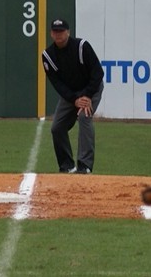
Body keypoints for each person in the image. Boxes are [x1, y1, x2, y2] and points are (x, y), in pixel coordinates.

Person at [41, 18, 105, 174]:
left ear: (68, 32)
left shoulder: (82, 46)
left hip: (91, 88)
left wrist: (87, 96)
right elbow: (57, 84)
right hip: (71, 94)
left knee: (84, 116)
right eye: (55, 31)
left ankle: (85, 165)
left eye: (61, 31)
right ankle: (67, 166)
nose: (59, 34)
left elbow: (98, 72)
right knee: (57, 127)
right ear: (51, 34)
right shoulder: (48, 56)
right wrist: (74, 99)